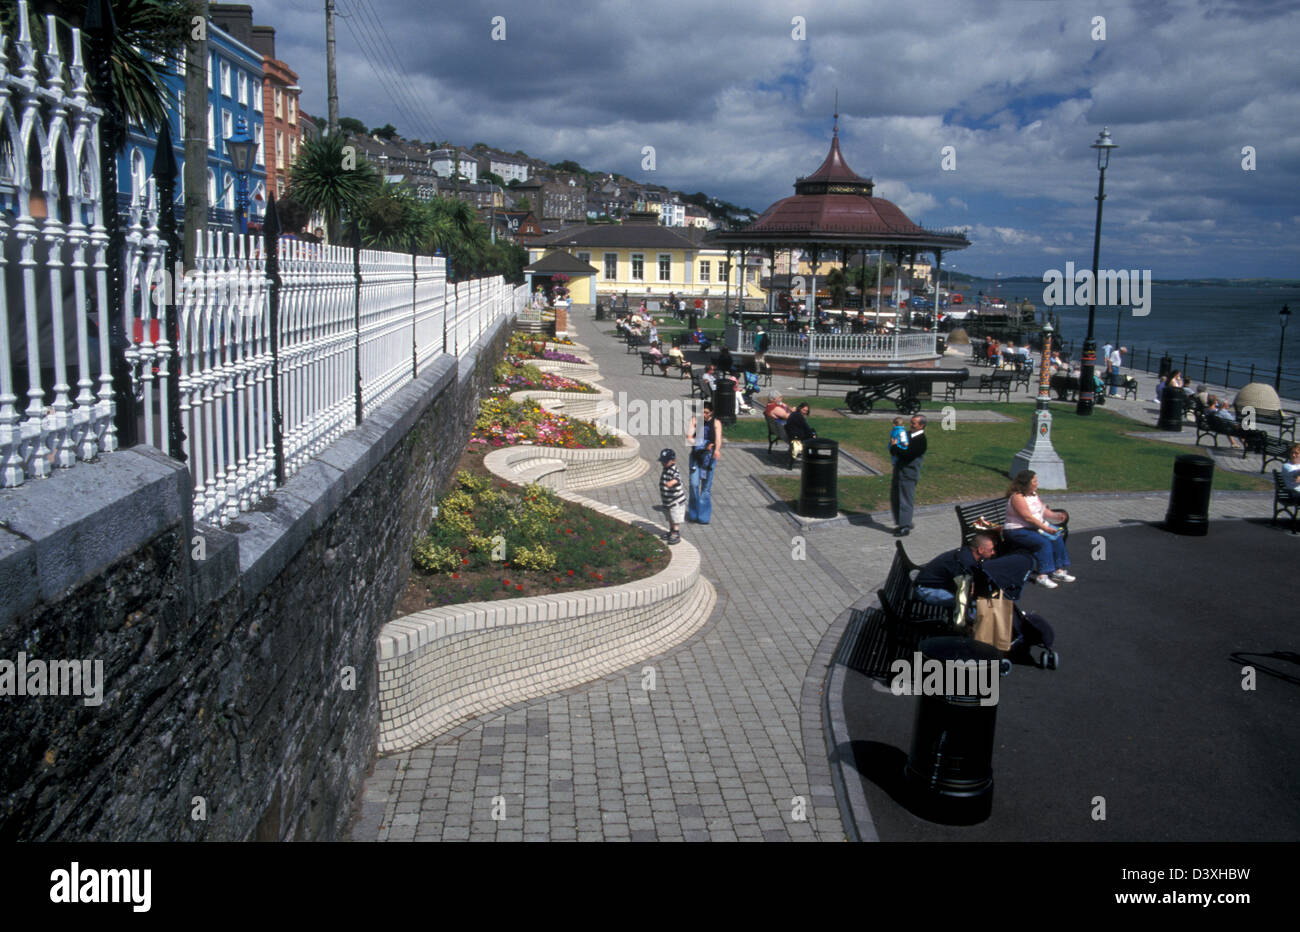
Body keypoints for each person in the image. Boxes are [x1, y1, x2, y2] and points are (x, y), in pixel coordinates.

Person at [1002, 470, 1074, 589]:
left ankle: (1058, 571)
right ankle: (1042, 576)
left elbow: (1041, 511)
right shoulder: (1017, 497)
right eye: (1034, 481)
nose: (1037, 483)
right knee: (1043, 542)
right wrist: (1046, 528)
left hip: (1033, 528)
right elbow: (1027, 517)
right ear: (1026, 483)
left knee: (1056, 538)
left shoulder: (1033, 494)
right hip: (1016, 531)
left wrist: (1055, 516)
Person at [914, 532, 998, 608]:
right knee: (971, 603)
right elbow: (962, 589)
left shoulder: (966, 553)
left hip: (931, 585)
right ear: (980, 550)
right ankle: (967, 623)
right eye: (990, 550)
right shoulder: (965, 563)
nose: (993, 552)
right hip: (926, 590)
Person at [890, 414, 927, 537]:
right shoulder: (906, 434)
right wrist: (894, 447)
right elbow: (893, 449)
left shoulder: (921, 441)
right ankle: (901, 521)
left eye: (914, 423)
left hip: (909, 473)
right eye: (911, 422)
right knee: (895, 497)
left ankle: (905, 526)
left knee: (905, 499)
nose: (911, 425)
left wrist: (895, 447)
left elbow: (907, 455)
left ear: (921, 426)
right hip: (899, 470)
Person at [685, 402, 722, 524]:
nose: (703, 415)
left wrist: (716, 450)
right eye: (702, 412)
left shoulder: (716, 423)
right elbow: (689, 437)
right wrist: (703, 444)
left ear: (711, 412)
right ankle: (694, 513)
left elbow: (718, 439)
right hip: (696, 457)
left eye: (706, 412)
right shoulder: (695, 420)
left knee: (705, 488)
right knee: (694, 484)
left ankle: (703, 516)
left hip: (709, 458)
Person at [658, 448, 686, 544]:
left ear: (673, 460)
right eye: (662, 461)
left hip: (675, 500)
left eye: (666, 462)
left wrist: (672, 482)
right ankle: (671, 531)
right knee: (669, 517)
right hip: (667, 500)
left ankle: (676, 532)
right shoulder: (666, 469)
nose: (663, 463)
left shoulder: (673, 469)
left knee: (675, 517)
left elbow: (677, 478)